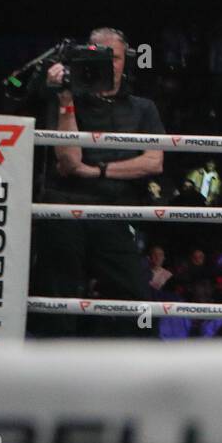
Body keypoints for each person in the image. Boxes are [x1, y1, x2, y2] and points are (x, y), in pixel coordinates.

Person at [30, 26, 165, 337]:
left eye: (114, 57)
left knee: (139, 300)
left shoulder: (143, 108)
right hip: (67, 210)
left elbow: (154, 161)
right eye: (98, 57)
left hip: (116, 212)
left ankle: (140, 375)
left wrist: (97, 171)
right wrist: (64, 96)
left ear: (125, 61)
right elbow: (69, 160)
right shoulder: (67, 97)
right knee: (57, 302)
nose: (107, 64)